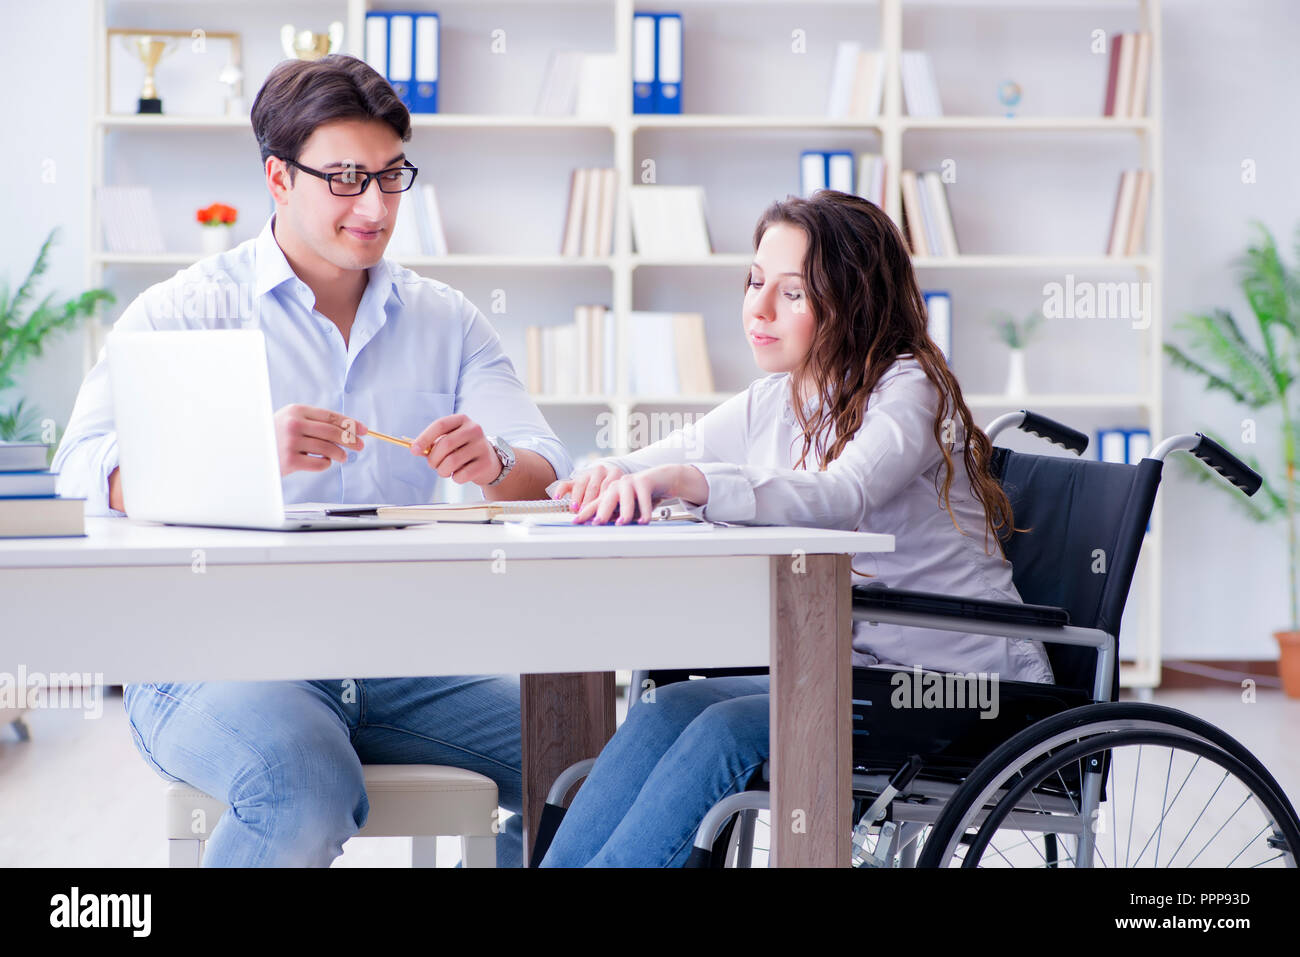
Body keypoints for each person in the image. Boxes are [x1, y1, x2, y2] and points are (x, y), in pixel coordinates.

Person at [52, 54, 573, 867]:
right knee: (301, 785)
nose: (375, 205)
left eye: (392, 175)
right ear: (277, 176)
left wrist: (493, 458)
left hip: (396, 663)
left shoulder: (447, 320)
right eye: (344, 177)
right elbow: (79, 468)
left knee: (588, 762)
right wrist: (238, 454)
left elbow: (545, 467)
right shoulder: (185, 310)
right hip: (210, 666)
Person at [540, 189, 1055, 867]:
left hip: (960, 682)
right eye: (755, 282)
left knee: (725, 730)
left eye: (792, 293)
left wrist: (692, 483)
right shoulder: (782, 396)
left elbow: (842, 494)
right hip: (854, 667)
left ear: (854, 300)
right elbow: (663, 456)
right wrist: (603, 472)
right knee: (663, 710)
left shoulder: (909, 386)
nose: (758, 308)